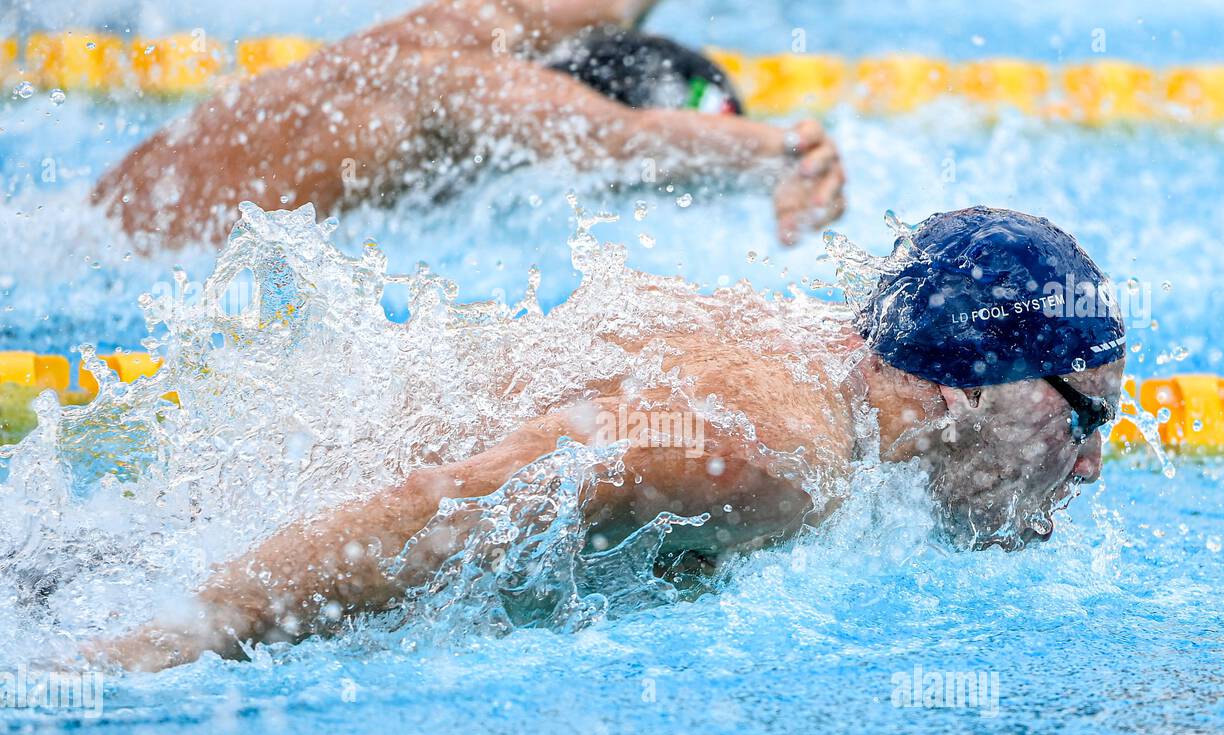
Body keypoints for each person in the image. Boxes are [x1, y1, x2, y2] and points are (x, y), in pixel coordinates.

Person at [96, 206, 1126, 671]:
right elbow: (495, 478)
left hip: (186, 513)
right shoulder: (781, 458)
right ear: (971, 391)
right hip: (150, 566)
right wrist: (162, 638)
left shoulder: (827, 363)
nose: (1087, 464)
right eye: (1082, 418)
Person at [91, 0, 845, 247]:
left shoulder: (474, 23)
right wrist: (778, 152)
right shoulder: (455, 81)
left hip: (97, 224)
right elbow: (613, 139)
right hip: (121, 262)